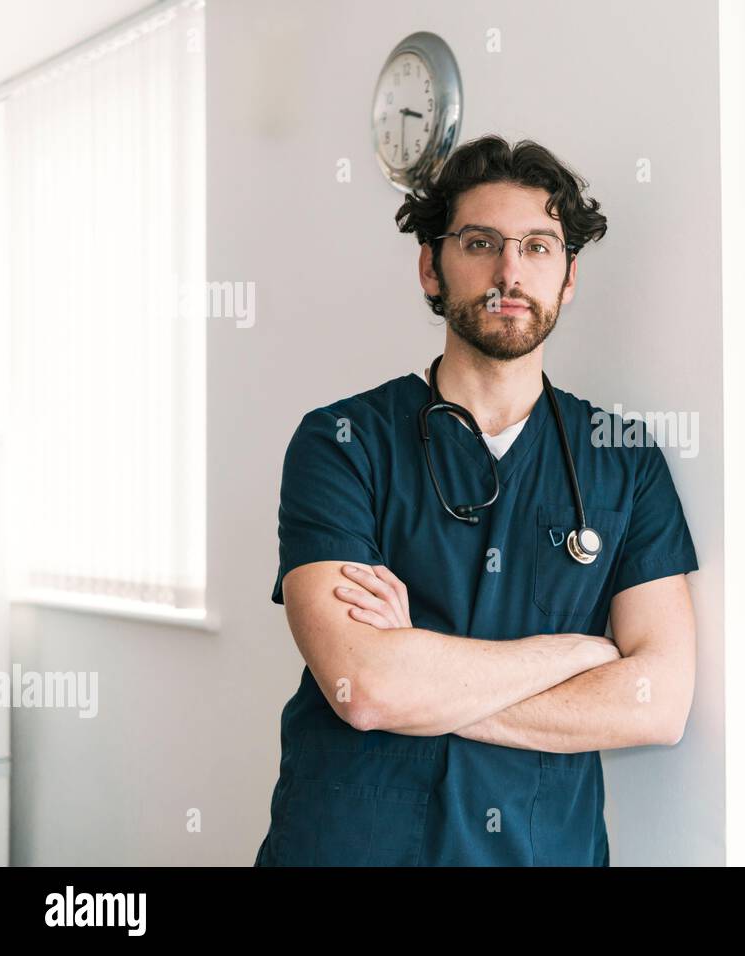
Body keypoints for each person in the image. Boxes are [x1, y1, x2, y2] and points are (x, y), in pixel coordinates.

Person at [253, 135, 699, 866]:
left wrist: (422, 681)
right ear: (432, 268)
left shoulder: (624, 461)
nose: (509, 270)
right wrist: (576, 655)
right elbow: (362, 686)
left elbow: (659, 702)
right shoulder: (341, 443)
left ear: (569, 277)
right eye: (481, 242)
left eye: (538, 246)